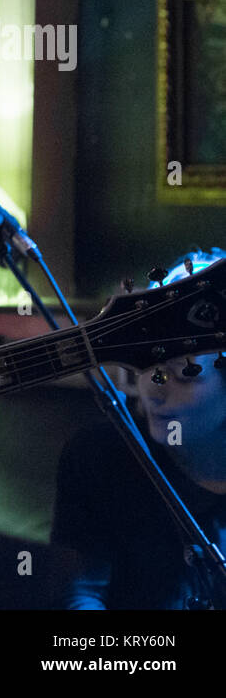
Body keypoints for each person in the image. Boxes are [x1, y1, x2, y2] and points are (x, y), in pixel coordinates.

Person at [51, 248, 226, 609]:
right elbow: (81, 592)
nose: (153, 389)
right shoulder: (99, 456)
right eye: (147, 362)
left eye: (182, 374)